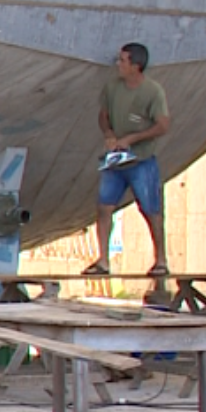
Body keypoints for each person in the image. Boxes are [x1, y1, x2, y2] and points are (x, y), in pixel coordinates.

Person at [85, 42, 171, 277]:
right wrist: (109, 135)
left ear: (136, 66)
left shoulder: (153, 91)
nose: (118, 65)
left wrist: (133, 138)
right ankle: (103, 261)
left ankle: (161, 260)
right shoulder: (112, 87)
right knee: (104, 206)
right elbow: (103, 116)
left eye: (123, 61)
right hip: (116, 161)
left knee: (150, 210)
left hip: (141, 160)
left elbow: (162, 125)